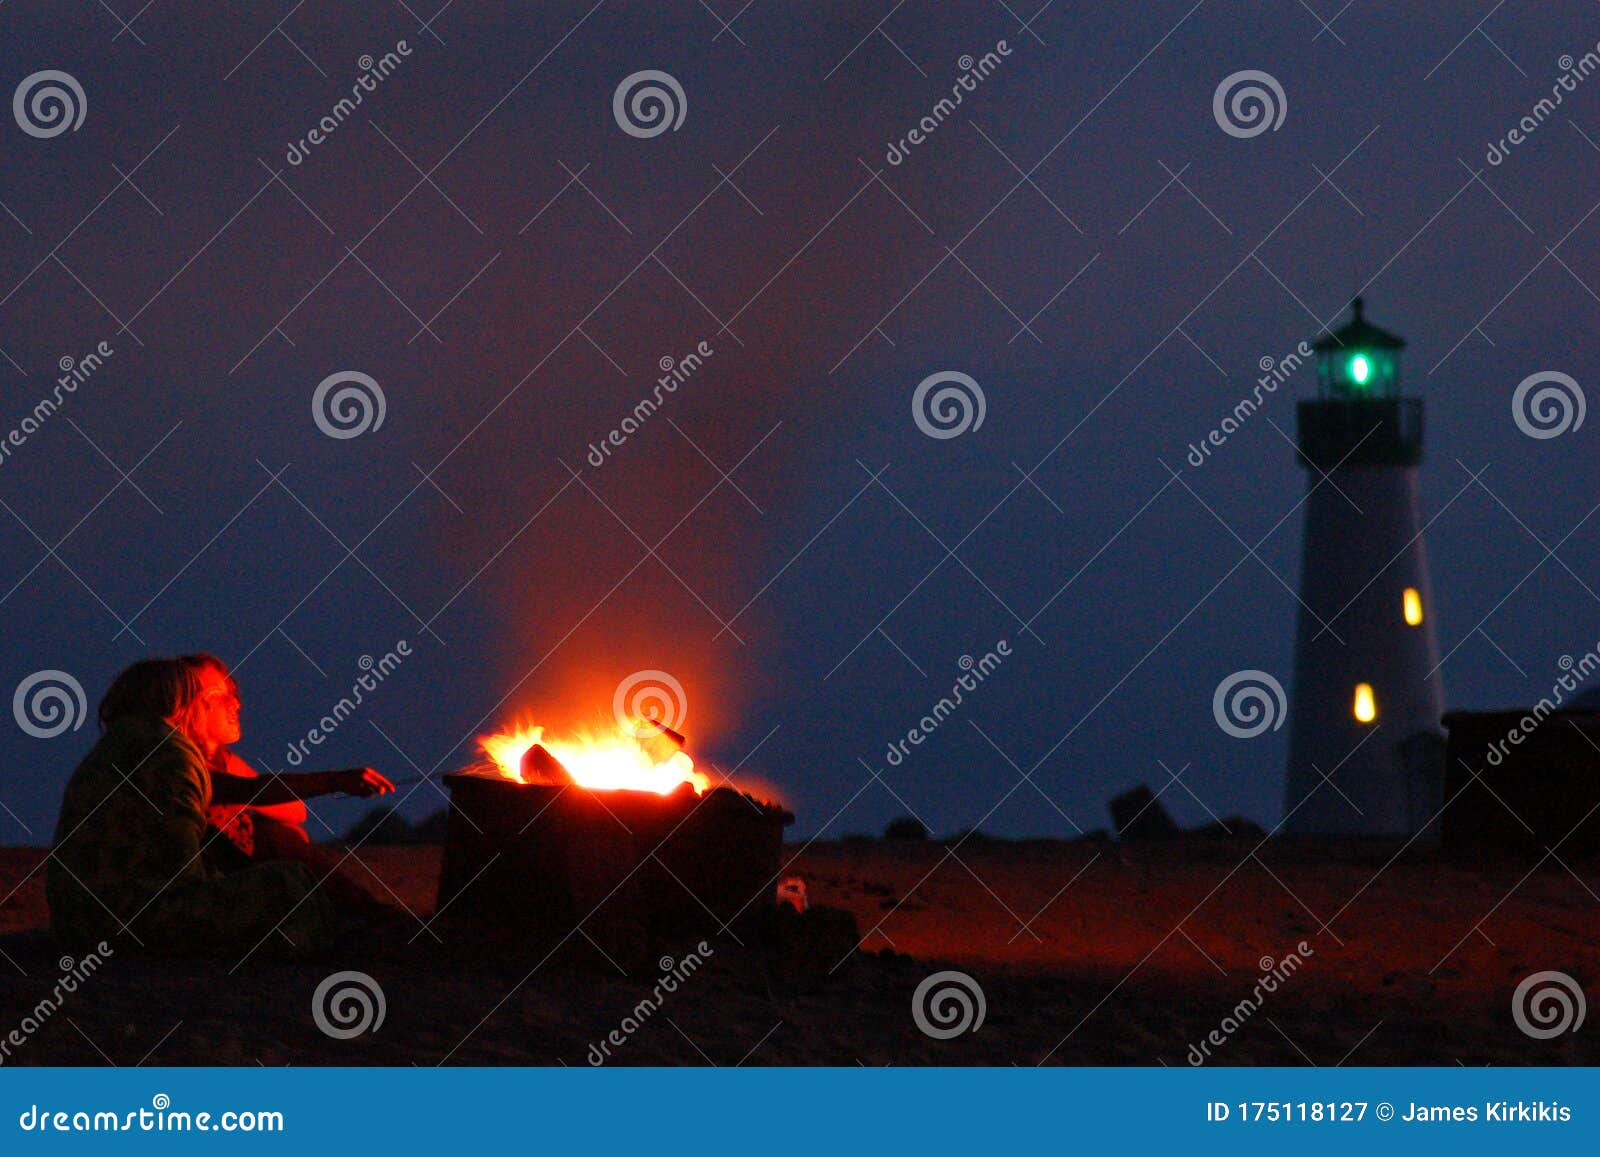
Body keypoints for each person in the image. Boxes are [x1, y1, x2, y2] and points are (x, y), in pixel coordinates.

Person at [47, 655, 396, 961]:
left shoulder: (108, 753)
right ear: (179, 702)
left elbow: (252, 794)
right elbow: (180, 869)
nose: (233, 704)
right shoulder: (170, 756)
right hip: (132, 921)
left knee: (274, 838)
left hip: (74, 921)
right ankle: (360, 932)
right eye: (210, 697)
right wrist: (336, 781)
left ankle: (363, 922)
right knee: (287, 880)